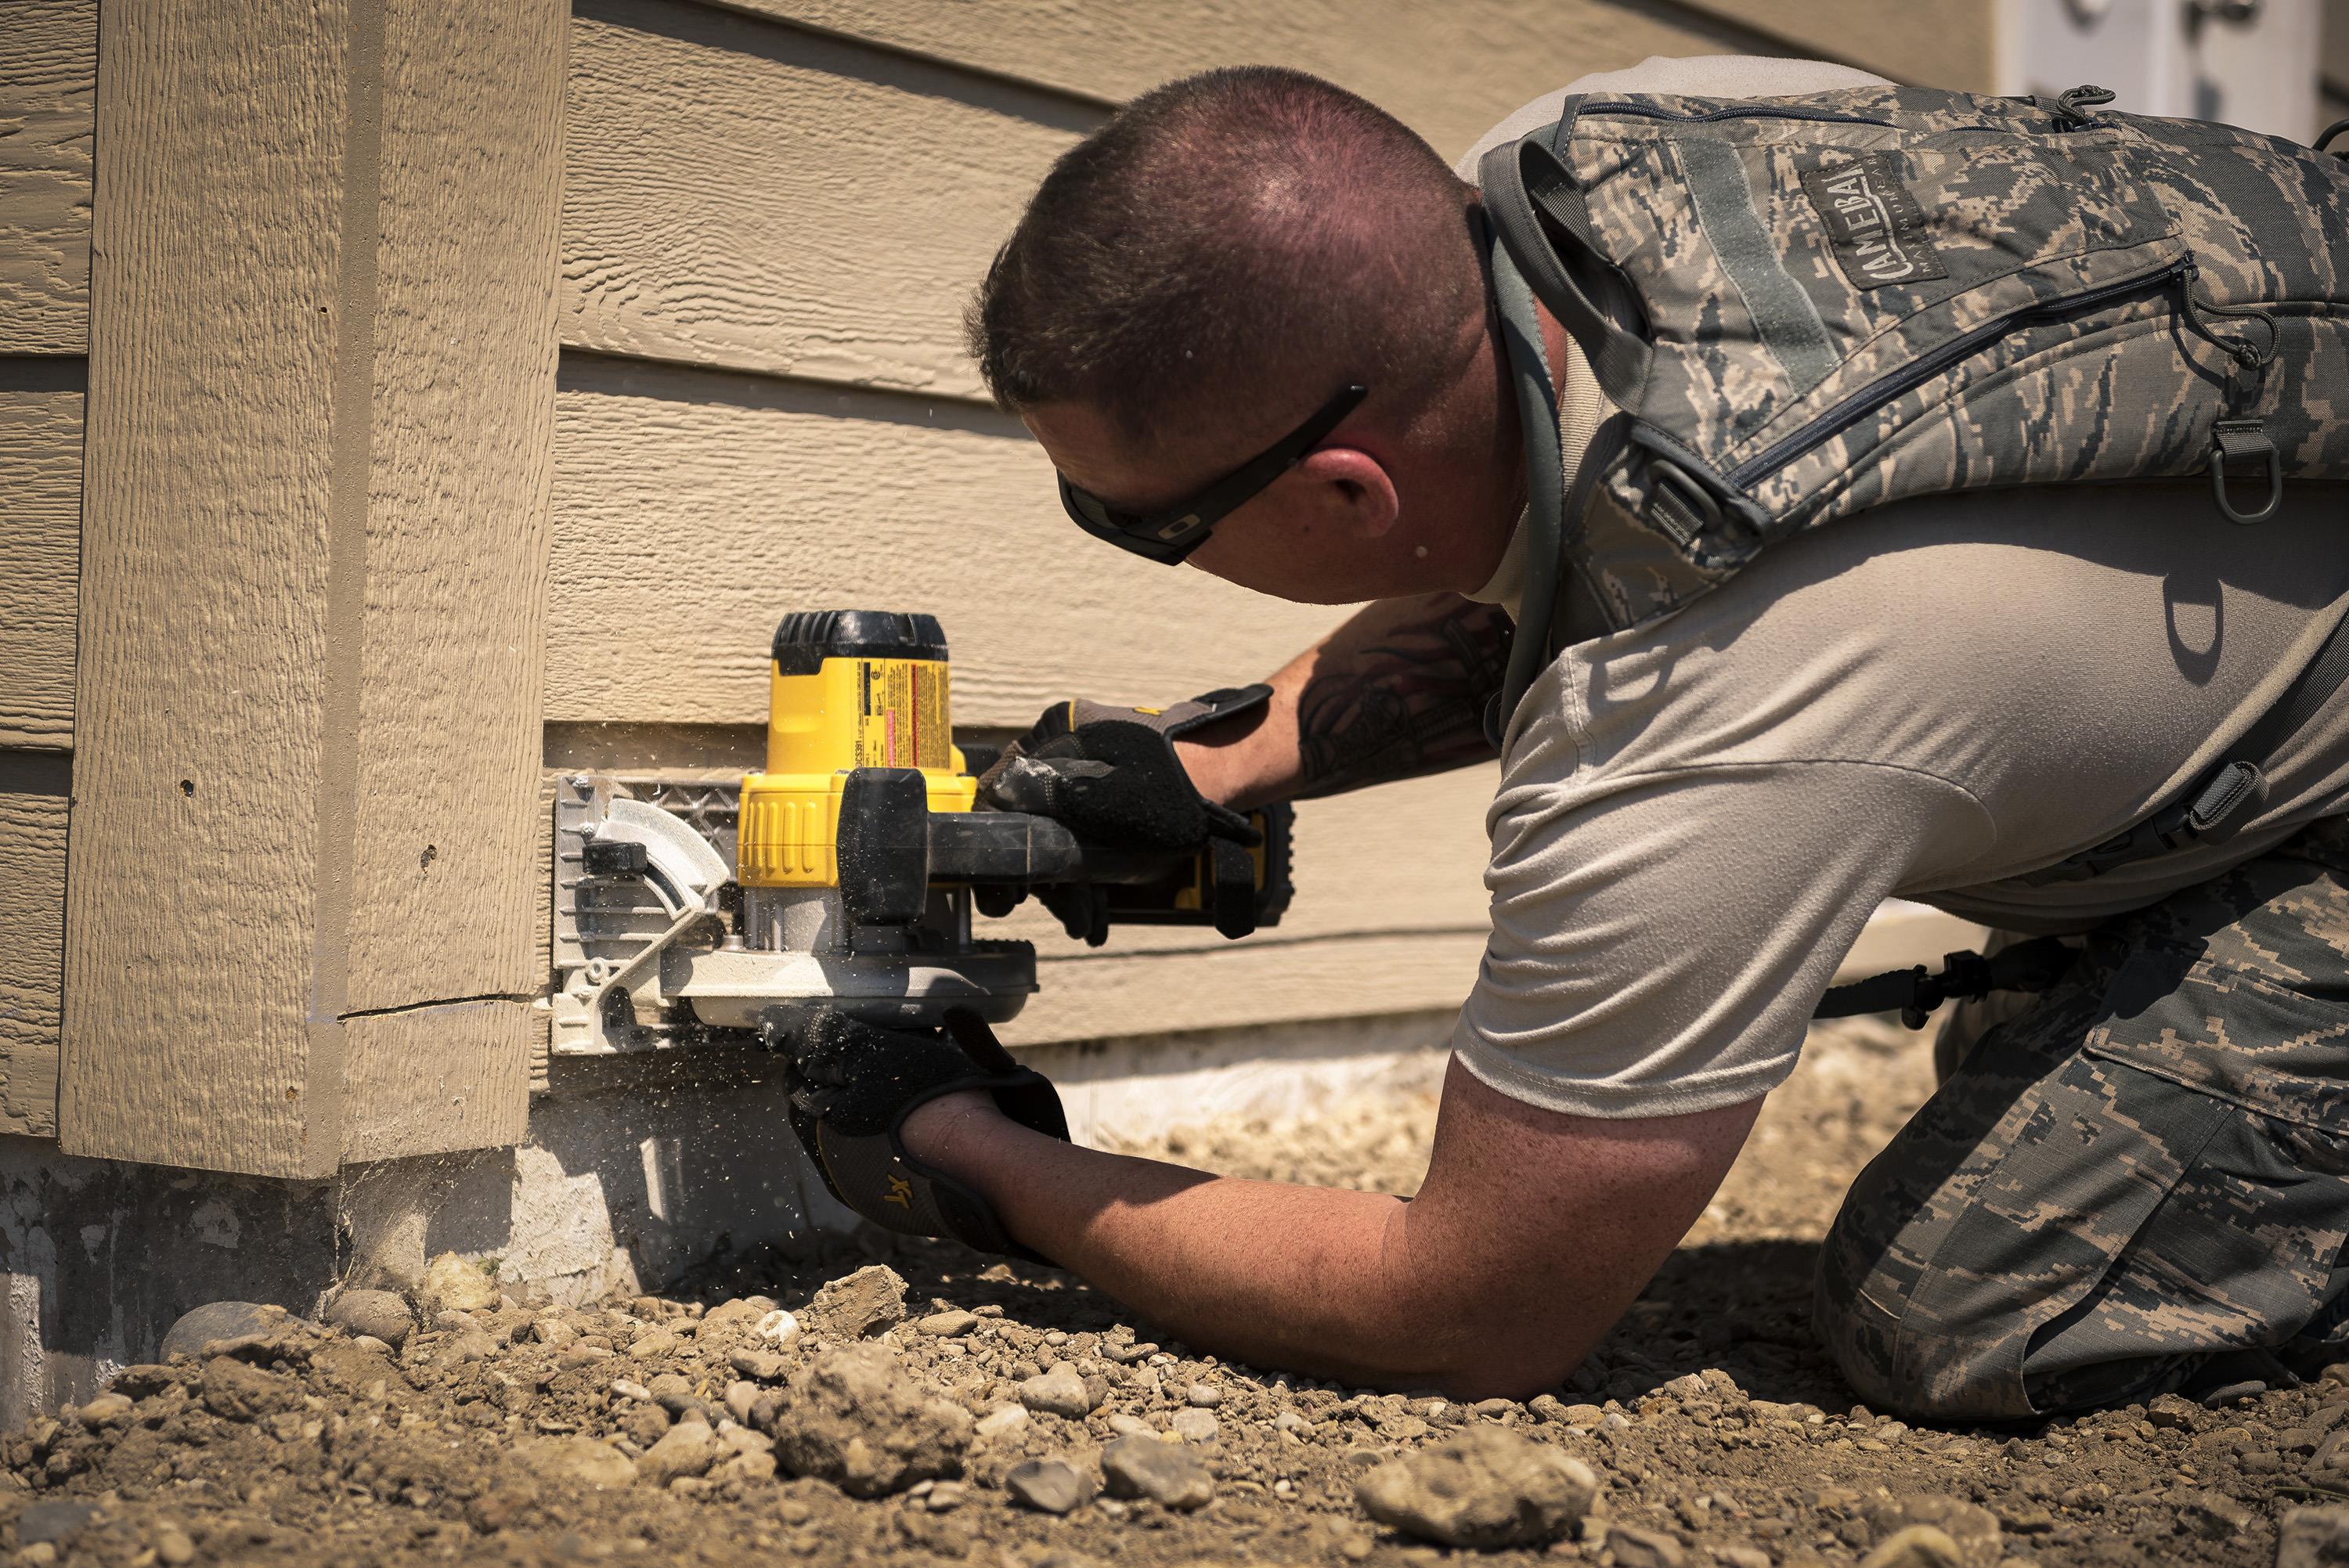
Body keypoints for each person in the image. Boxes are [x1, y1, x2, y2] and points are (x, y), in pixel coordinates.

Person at [784, 55, 2349, 1422]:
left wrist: (971, 1149)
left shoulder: (1703, 719)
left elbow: (1468, 1313)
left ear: (1347, 490)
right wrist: (1213, 768)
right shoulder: (1598, 161)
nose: (1125, 542)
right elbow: (1552, 555)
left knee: (1968, 1311)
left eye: (1134, 524)